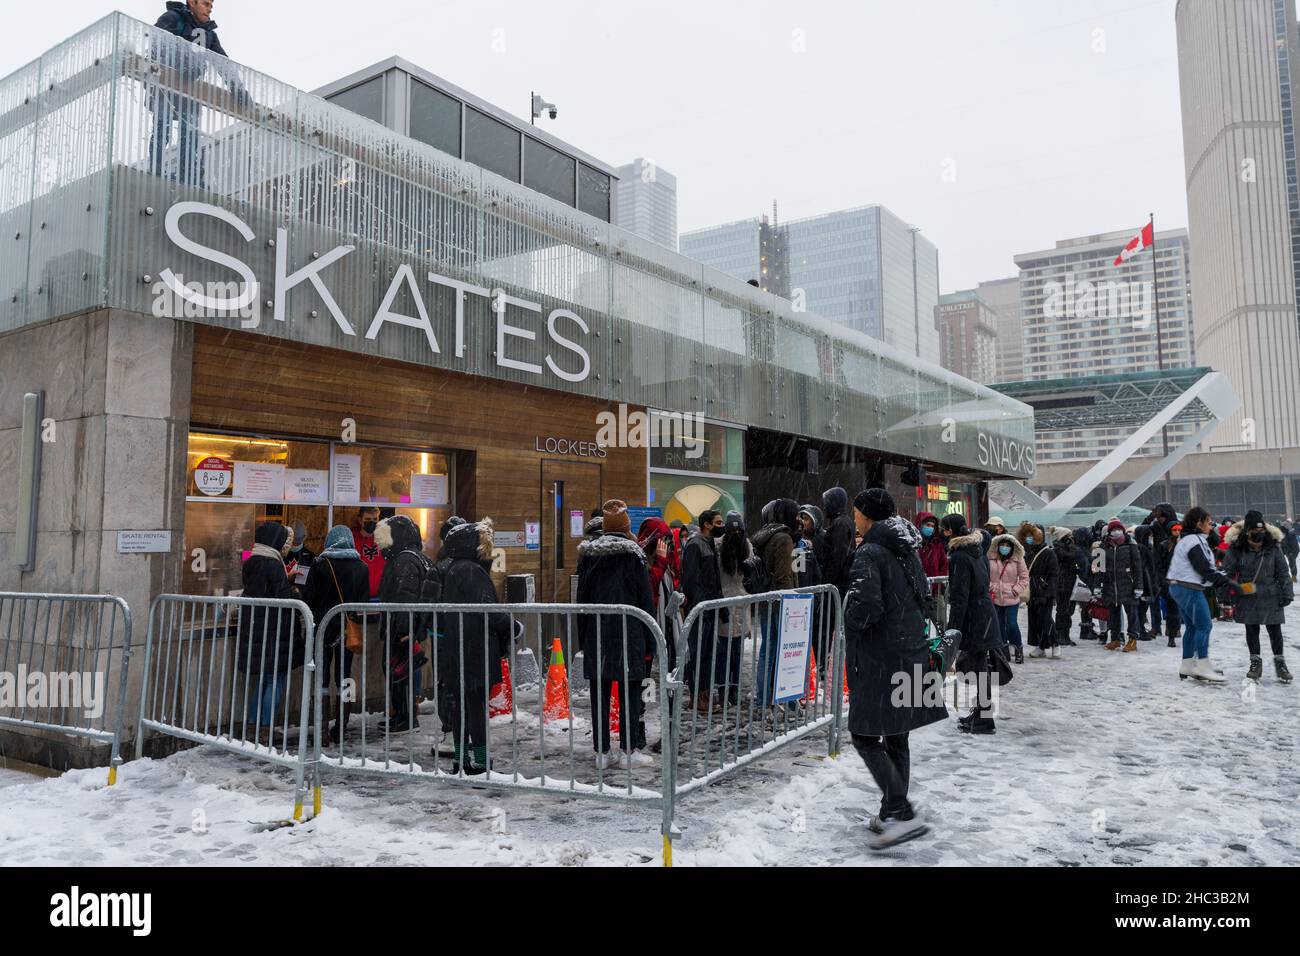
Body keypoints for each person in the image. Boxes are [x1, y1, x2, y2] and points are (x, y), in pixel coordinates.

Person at [843, 488, 946, 849]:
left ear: (866, 514)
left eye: (856, 511)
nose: (854, 517)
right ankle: (891, 810)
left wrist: (848, 619)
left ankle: (901, 813)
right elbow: (921, 596)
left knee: (865, 735)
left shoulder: (869, 552)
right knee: (896, 734)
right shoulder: (906, 548)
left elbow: (866, 607)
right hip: (910, 651)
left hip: (881, 658)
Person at [576, 500, 657, 769]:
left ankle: (601, 751)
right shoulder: (633, 554)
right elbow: (645, 599)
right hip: (628, 631)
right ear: (626, 525)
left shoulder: (589, 556)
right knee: (630, 693)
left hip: (597, 633)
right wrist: (650, 638)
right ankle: (628, 749)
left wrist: (583, 637)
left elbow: (581, 601)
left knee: (599, 692)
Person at [436, 519, 514, 774]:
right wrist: (513, 627)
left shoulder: (455, 568)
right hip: (474, 649)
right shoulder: (471, 571)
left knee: (461, 707)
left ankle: (461, 758)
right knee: (477, 707)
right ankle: (480, 760)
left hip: (459, 647)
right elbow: (487, 609)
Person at [151, 2, 249, 186]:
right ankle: (154, 172)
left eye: (211, 4)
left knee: (191, 134)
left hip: (191, 89)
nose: (210, 8)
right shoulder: (173, 18)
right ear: (192, 3)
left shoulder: (209, 33)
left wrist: (238, 88)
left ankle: (188, 176)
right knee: (161, 128)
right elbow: (156, 42)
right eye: (205, 3)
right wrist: (178, 63)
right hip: (166, 84)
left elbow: (223, 63)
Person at [302, 525, 369, 744]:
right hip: (347, 629)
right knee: (345, 676)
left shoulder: (320, 564)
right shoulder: (361, 567)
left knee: (321, 677)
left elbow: (308, 598)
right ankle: (342, 727)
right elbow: (363, 602)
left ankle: (321, 729)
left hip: (322, 627)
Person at [238, 521, 299, 740]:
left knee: (263, 678)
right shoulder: (273, 565)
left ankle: (253, 724)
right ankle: (266, 726)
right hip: (273, 631)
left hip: (257, 630)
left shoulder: (251, 560)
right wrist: (295, 592)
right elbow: (284, 598)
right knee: (275, 678)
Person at [941, 513, 1000, 734]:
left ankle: (984, 716)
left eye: (944, 528)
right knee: (981, 665)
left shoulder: (959, 556)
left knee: (980, 666)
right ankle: (982, 712)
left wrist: (953, 629)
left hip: (974, 617)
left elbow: (959, 596)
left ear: (950, 531)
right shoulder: (976, 551)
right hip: (984, 613)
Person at [375, 515, 432, 732]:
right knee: (401, 673)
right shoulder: (415, 557)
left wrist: (403, 629)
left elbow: (405, 597)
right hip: (408, 627)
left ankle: (405, 718)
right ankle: (403, 715)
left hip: (401, 629)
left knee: (399, 674)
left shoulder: (405, 560)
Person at [1223, 512, 1294, 683]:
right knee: (1252, 629)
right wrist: (1225, 595)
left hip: (1271, 593)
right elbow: (1227, 573)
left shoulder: (1273, 546)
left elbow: (1283, 572)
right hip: (1248, 595)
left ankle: (1280, 663)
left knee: (1274, 630)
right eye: (1254, 530)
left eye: (1260, 530)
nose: (1258, 533)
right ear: (1247, 530)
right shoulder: (1237, 547)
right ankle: (1255, 663)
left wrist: (1287, 592)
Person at [1168, 507, 1235, 683]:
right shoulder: (1193, 541)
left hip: (1180, 587)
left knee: (1192, 627)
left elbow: (1206, 563)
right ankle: (1202, 666)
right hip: (1189, 588)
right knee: (1204, 626)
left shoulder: (1191, 539)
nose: (1211, 525)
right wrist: (1228, 582)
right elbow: (1203, 568)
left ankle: (1188, 663)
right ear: (1199, 523)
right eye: (1208, 521)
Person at [752, 499, 799, 711]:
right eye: (795, 514)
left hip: (767, 599)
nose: (798, 519)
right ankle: (783, 698)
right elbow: (784, 576)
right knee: (784, 651)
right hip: (780, 603)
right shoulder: (783, 539)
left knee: (768, 650)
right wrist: (791, 603)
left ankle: (765, 697)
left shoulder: (766, 536)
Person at [680, 509, 726, 712]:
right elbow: (691, 580)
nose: (721, 525)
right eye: (718, 522)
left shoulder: (708, 545)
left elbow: (714, 581)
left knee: (707, 654)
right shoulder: (695, 545)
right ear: (707, 524)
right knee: (698, 654)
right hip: (701, 609)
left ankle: (704, 695)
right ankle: (697, 696)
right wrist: (701, 605)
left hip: (709, 608)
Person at [1091, 520, 1147, 652]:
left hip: (1128, 584)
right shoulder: (1103, 547)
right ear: (1109, 532)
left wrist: (1139, 586)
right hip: (1110, 586)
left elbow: (1138, 567)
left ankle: (1132, 639)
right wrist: (1097, 586)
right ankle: (1115, 639)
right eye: (1114, 529)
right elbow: (1099, 568)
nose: (1117, 531)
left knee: (1131, 613)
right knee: (1113, 614)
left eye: (1119, 529)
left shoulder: (1131, 545)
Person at [716, 512, 754, 704]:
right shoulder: (718, 547)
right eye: (733, 529)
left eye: (740, 529)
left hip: (742, 605)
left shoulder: (747, 547)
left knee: (737, 653)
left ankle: (734, 691)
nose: (736, 533)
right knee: (723, 653)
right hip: (724, 605)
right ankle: (723, 692)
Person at [1019, 522, 1059, 659]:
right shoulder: (1026, 552)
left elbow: (1054, 574)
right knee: (1035, 620)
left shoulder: (1049, 552)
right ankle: (1040, 646)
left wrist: (1049, 591)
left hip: (1044, 591)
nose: (1031, 538)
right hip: (1032, 591)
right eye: (1028, 535)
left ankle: (1055, 644)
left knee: (1046, 619)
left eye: (1034, 535)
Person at [988, 528, 1028, 664]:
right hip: (995, 597)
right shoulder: (990, 558)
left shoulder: (1018, 559)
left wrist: (1015, 590)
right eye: (1002, 545)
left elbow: (1024, 577)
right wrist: (991, 586)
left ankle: (1018, 648)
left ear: (1012, 547)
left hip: (1011, 598)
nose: (1004, 548)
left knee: (1011, 624)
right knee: (999, 625)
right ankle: (1003, 651)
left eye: (1007, 545)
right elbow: (985, 575)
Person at [1049, 527, 1084, 647]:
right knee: (1062, 610)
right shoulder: (1057, 549)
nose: (1072, 538)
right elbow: (1066, 556)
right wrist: (1069, 547)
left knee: (1068, 610)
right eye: (1069, 536)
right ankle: (1060, 635)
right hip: (1062, 584)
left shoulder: (1069, 547)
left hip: (1070, 582)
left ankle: (1065, 634)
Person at [821, 487, 856, 598]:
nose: (824, 506)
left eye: (827, 502)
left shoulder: (840, 523)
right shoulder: (841, 522)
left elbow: (838, 557)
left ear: (835, 502)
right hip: (837, 583)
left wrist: (827, 581)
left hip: (837, 585)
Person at [1155, 522, 1183, 646]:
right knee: (1172, 610)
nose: (1177, 532)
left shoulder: (1183, 544)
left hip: (1183, 581)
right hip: (1169, 581)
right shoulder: (1164, 545)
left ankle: (1174, 631)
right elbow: (1158, 565)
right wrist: (1162, 581)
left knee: (1178, 610)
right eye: (1174, 530)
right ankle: (1172, 635)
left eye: (1179, 530)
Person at [352, 507, 387, 599]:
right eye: (367, 519)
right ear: (360, 520)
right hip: (357, 596)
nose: (372, 522)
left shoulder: (384, 539)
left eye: (375, 519)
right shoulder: (352, 539)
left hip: (380, 597)